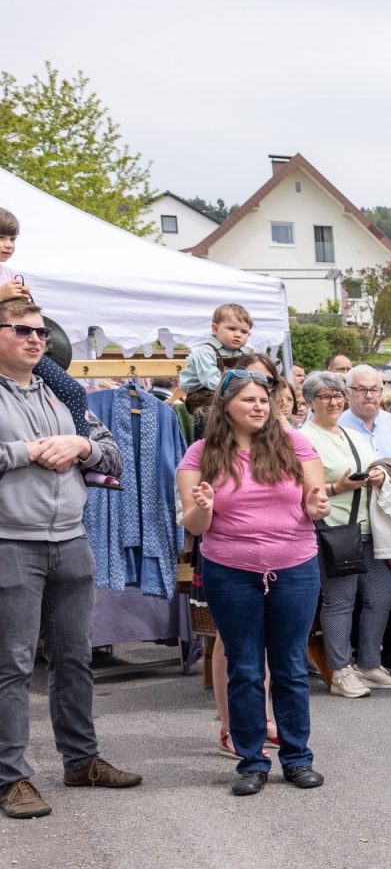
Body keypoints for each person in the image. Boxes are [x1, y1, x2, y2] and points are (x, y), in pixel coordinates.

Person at [0, 301, 142, 819]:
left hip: (70, 540)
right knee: (12, 665)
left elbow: (113, 455)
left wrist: (80, 444)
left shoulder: (62, 392)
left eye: (42, 333)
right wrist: (27, 451)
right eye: (22, 330)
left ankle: (81, 761)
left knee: (75, 657)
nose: (36, 340)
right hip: (10, 541)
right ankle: (11, 778)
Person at [177, 368, 331, 794]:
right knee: (244, 667)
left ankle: (297, 759)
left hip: (294, 567)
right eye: (248, 399)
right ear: (226, 406)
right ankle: (251, 762)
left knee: (290, 666)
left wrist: (317, 506)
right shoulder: (200, 454)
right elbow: (194, 524)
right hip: (229, 571)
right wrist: (204, 507)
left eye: (264, 399)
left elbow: (314, 501)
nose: (259, 406)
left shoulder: (294, 444)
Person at [300, 371, 391, 700]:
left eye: (337, 395)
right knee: (340, 600)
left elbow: (372, 466)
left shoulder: (351, 434)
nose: (333, 401)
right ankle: (340, 670)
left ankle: (369, 663)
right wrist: (337, 487)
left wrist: (378, 474)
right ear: (310, 401)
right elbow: (301, 489)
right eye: (325, 396)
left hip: (369, 526)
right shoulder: (304, 437)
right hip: (334, 527)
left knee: (382, 593)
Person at [338, 362, 391, 677]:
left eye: (374, 388)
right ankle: (356, 655)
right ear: (348, 393)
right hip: (351, 521)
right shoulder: (337, 426)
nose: (369, 395)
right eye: (361, 389)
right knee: (352, 592)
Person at [178, 303, 256, 410]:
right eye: (232, 329)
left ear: (249, 335)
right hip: (202, 395)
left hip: (231, 392)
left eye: (244, 331)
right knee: (219, 407)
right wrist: (240, 392)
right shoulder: (206, 352)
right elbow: (211, 381)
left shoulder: (247, 353)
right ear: (215, 329)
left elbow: (254, 374)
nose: (238, 334)